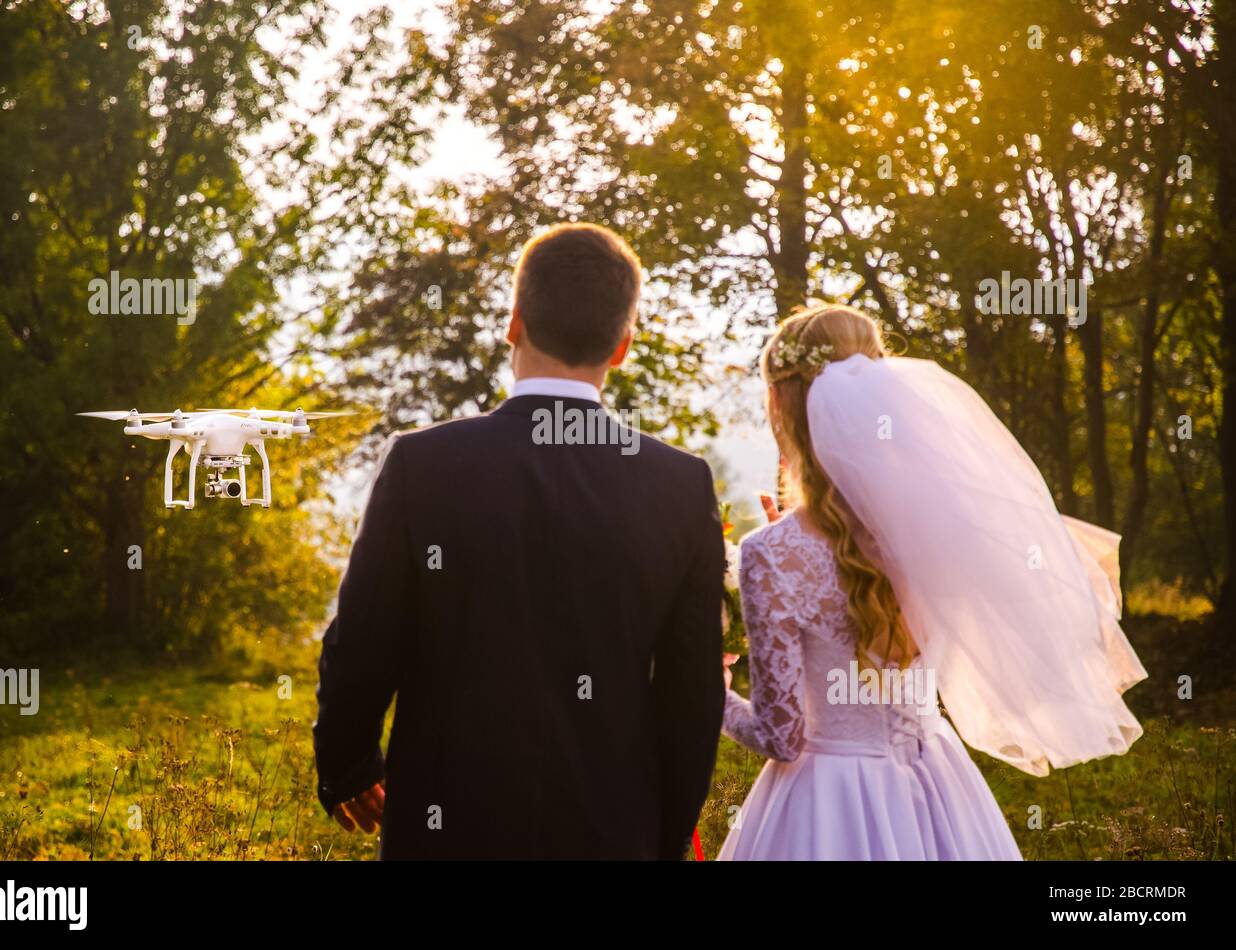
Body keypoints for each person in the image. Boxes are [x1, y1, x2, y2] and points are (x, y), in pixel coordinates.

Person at [313, 223, 726, 859]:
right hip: (610, 828)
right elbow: (692, 695)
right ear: (622, 346)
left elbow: (364, 638)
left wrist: (347, 764)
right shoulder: (680, 485)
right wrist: (665, 836)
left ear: (514, 323)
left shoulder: (424, 466)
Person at [719, 304, 1147, 860]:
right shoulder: (938, 528)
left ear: (781, 406)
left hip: (828, 802)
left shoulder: (771, 553)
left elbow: (781, 736)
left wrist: (716, 697)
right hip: (936, 781)